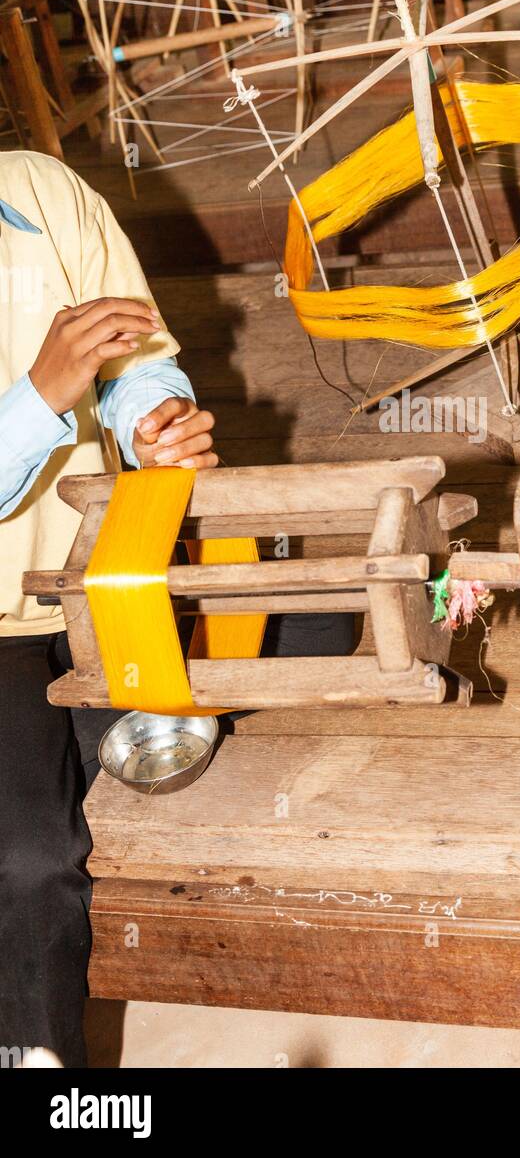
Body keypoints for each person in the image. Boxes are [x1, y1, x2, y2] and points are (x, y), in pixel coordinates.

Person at [0, 151, 352, 1067]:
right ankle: (38, 1064)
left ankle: (80, 738)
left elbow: (135, 368)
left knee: (323, 623)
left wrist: (154, 425)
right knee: (31, 865)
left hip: (90, 578)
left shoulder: (40, 190)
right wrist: (41, 395)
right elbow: (59, 380)